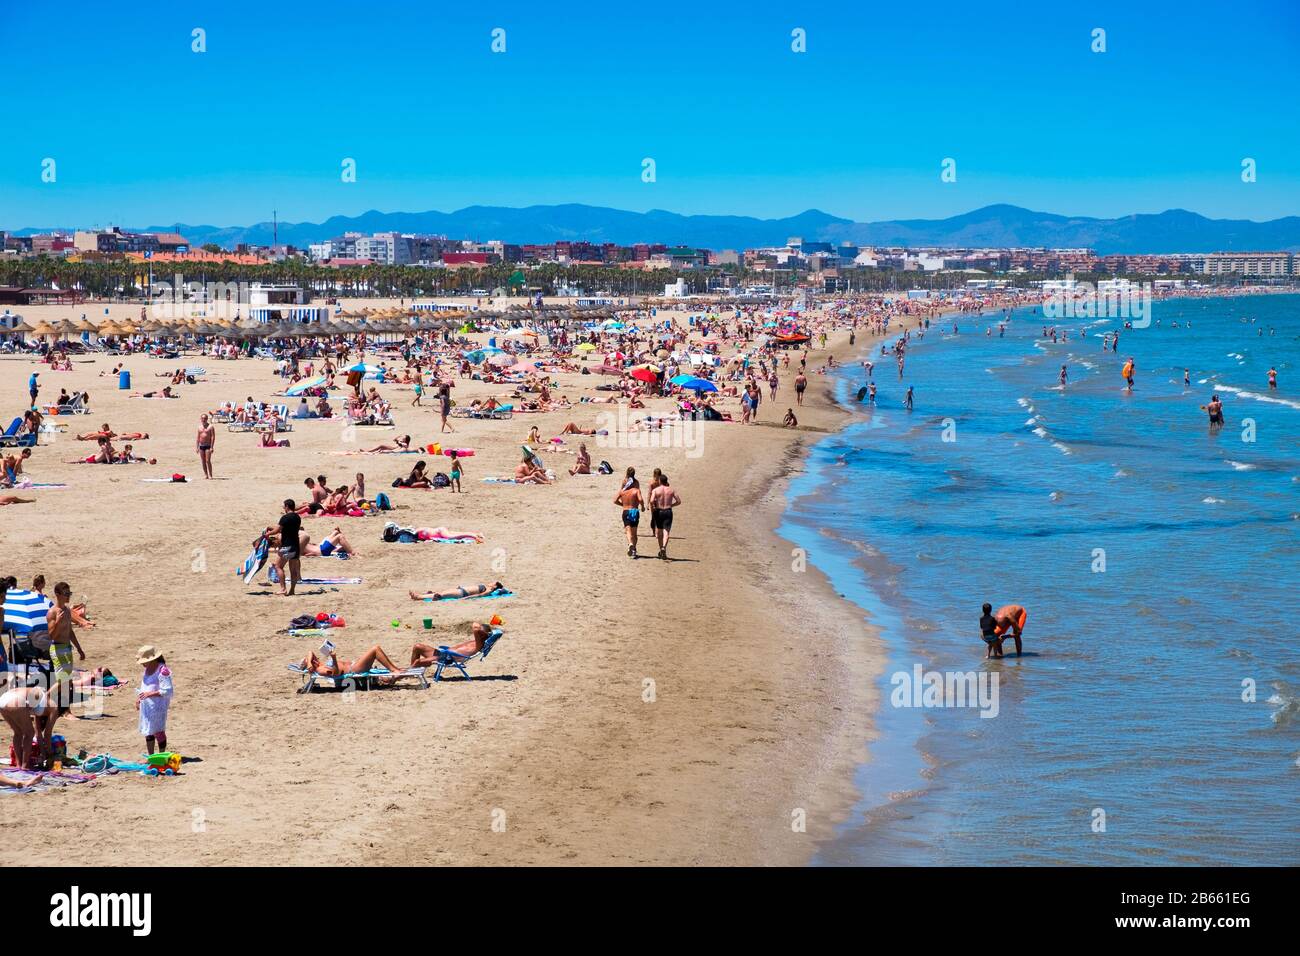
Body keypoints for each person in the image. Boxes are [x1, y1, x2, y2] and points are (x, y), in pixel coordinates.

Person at [46, 582, 85, 710]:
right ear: (57, 594)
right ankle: (42, 700)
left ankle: (65, 710)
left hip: (67, 648)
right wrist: (57, 622)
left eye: (69, 593)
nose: (68, 596)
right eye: (66, 594)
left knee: (66, 681)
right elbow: (51, 636)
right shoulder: (52, 612)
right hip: (57, 649)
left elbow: (70, 631)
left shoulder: (67, 611)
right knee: (62, 680)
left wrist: (79, 649)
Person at [297, 644, 404, 685]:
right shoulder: (320, 670)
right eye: (312, 661)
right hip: (354, 670)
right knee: (375, 650)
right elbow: (335, 673)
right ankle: (394, 670)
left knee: (395, 672)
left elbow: (310, 652)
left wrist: (309, 662)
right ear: (311, 668)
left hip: (354, 666)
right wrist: (334, 658)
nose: (315, 659)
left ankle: (397, 671)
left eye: (313, 659)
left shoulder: (318, 664)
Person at [135, 645, 173, 755]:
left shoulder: (163, 670)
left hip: (158, 706)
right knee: (148, 731)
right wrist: (139, 699)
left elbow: (167, 691)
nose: (142, 664)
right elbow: (144, 687)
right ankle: (151, 757)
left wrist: (149, 694)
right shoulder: (147, 669)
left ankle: (161, 756)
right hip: (147, 706)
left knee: (159, 732)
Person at [409, 622, 494, 668]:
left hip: (447, 658)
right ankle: (412, 670)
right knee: (417, 647)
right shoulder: (475, 641)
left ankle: (404, 673)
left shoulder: (479, 644)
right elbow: (476, 627)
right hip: (443, 653)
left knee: (418, 662)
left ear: (483, 634)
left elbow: (475, 627)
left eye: (480, 631)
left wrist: (484, 632)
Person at [269, 499, 302, 596]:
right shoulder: (297, 517)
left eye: (284, 506)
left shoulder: (285, 517)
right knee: (293, 570)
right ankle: (292, 590)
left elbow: (277, 530)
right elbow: (287, 530)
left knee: (278, 566)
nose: (283, 508)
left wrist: (268, 534)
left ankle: (283, 589)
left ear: (287, 506)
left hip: (286, 546)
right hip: (295, 546)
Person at [648, 471, 681, 560]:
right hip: (668, 511)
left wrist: (654, 506)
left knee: (659, 531)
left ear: (659, 481)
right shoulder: (671, 490)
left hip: (659, 511)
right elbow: (679, 501)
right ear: (666, 481)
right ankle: (664, 548)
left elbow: (651, 501)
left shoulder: (656, 490)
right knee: (666, 531)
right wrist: (671, 505)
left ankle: (660, 548)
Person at [615, 472, 644, 558]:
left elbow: (615, 500)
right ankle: (634, 550)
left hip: (626, 511)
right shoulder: (636, 490)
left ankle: (630, 544)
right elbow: (641, 499)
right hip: (634, 511)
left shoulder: (622, 492)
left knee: (628, 530)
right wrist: (642, 506)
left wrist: (622, 505)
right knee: (634, 533)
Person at [409, 582, 508, 601]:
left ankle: (418, 597)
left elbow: (480, 595)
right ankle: (421, 595)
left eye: (493, 582)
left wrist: (467, 598)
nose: (490, 582)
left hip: (462, 593)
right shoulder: (488, 587)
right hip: (461, 590)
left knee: (441, 595)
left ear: (495, 586)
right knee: (441, 593)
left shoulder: (490, 589)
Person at [196, 413, 215, 479]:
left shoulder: (210, 427)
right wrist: (197, 447)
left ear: (207, 419)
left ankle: (210, 475)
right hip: (201, 445)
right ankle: (206, 474)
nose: (203, 419)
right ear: (201, 419)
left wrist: (212, 447)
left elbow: (213, 437)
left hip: (208, 445)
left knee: (207, 460)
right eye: (202, 418)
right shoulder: (199, 427)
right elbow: (198, 437)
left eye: (205, 418)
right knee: (203, 461)